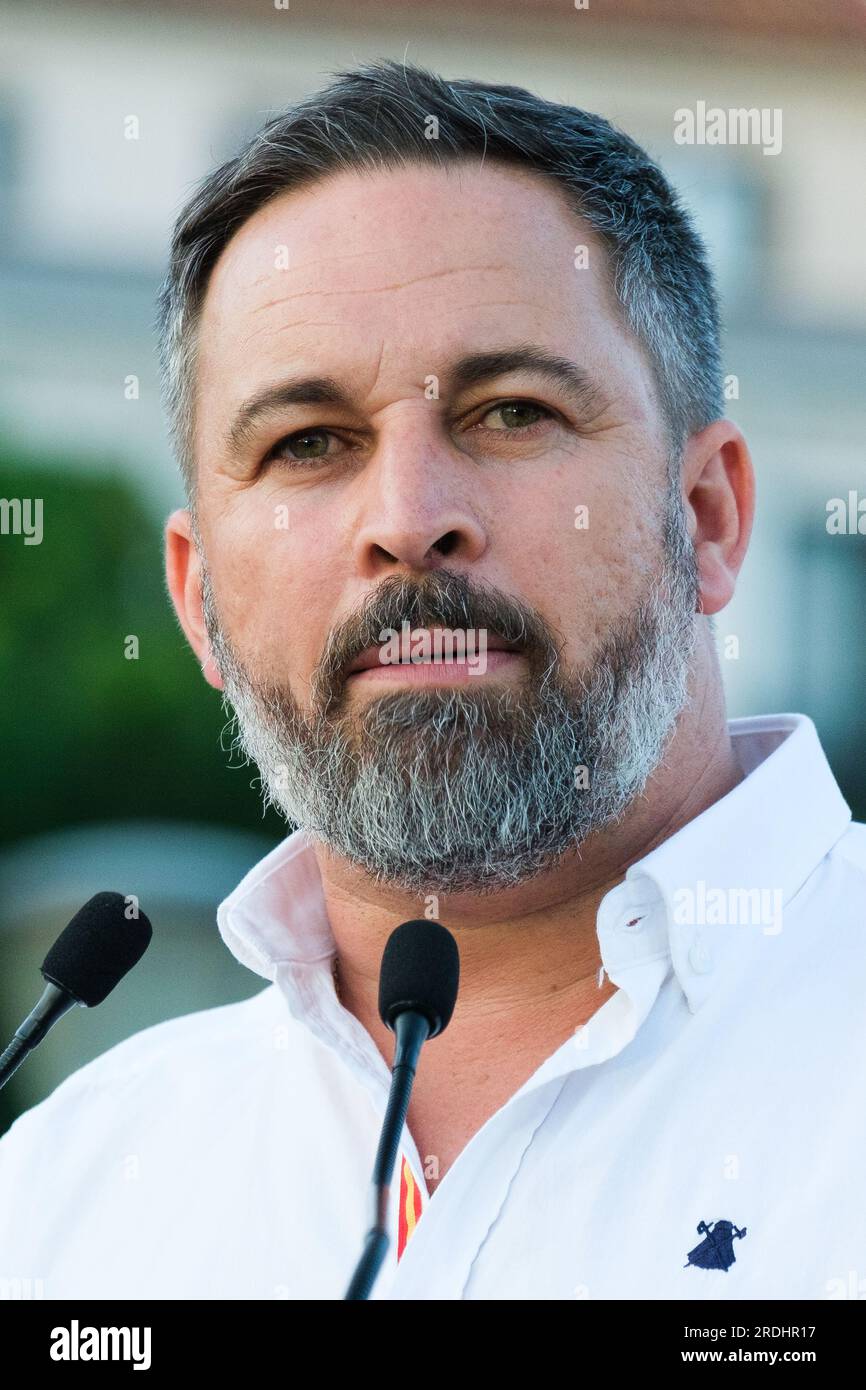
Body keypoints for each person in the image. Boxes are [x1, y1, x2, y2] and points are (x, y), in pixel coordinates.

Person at [1, 59, 864, 1301]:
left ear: (708, 514)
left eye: (509, 412)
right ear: (198, 602)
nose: (408, 520)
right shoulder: (67, 1189)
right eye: (307, 444)